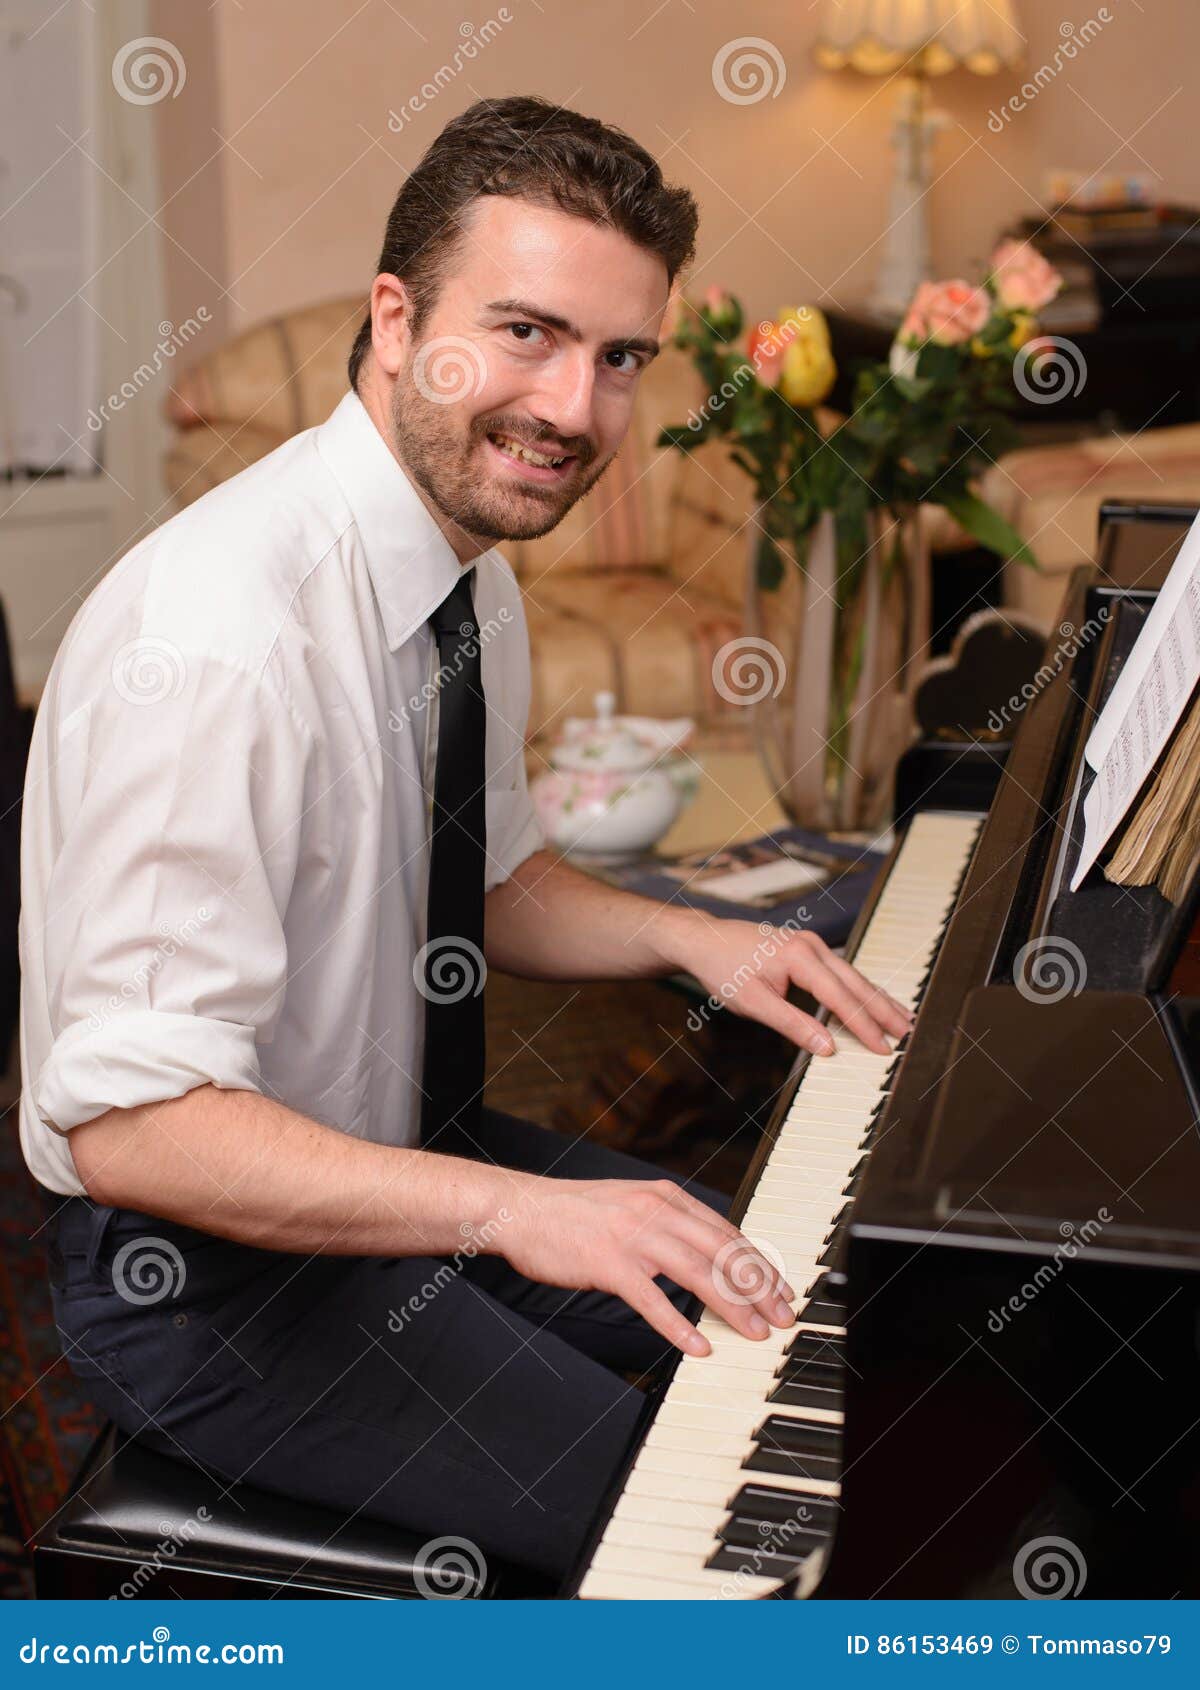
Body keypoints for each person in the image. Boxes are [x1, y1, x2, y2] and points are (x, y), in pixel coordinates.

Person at [19, 96, 908, 1585]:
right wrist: (517, 1209)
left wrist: (708, 937)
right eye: (526, 332)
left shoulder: (460, 569)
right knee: (683, 1521)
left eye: (619, 357)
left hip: (392, 1159)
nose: (574, 408)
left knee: (792, 1296)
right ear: (395, 317)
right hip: (209, 1280)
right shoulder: (220, 633)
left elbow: (489, 879)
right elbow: (136, 1124)